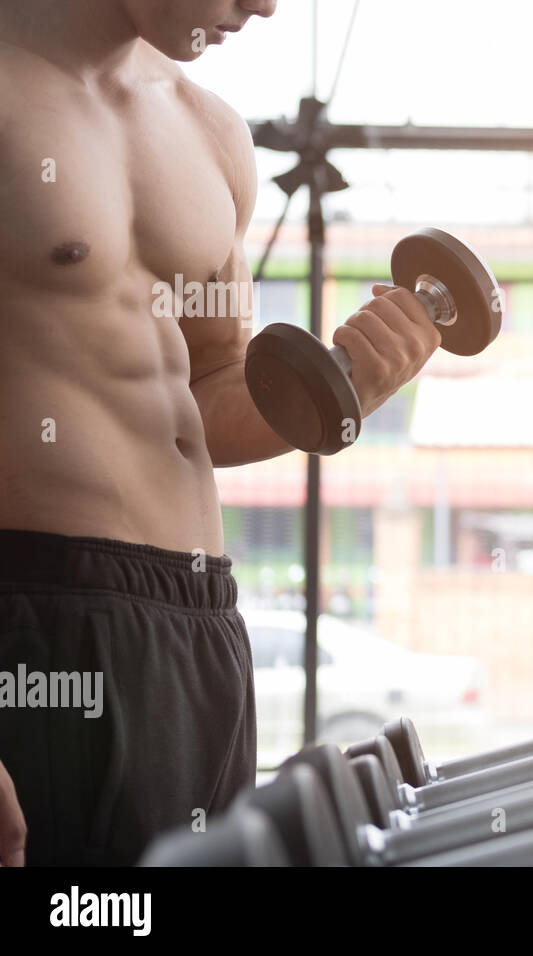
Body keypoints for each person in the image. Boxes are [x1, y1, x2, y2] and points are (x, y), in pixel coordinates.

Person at [0, 0, 441, 865]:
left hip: (195, 625)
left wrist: (343, 384)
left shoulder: (209, 131)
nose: (268, 4)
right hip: (35, 619)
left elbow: (208, 387)